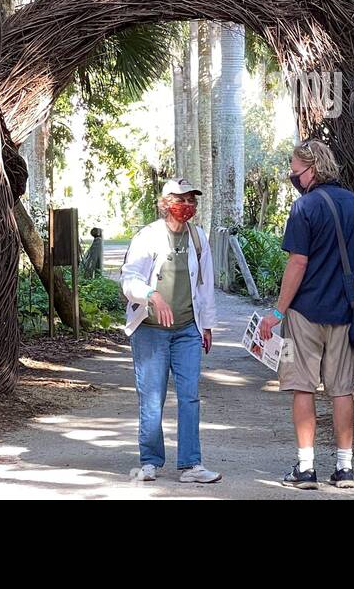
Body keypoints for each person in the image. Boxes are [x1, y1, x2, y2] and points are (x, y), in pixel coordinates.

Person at [259, 139, 354, 489]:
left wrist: (277, 313)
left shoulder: (304, 208)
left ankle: (306, 468)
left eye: (296, 171)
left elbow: (297, 261)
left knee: (302, 387)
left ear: (312, 168)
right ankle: (345, 469)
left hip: (303, 313)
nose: (294, 177)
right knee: (342, 390)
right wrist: (341, 269)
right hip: (344, 310)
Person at [120, 178, 221, 484]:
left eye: (191, 200)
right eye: (180, 199)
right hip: (150, 330)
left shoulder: (198, 238)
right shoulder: (147, 237)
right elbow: (128, 278)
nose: (186, 205)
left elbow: (206, 285)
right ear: (165, 203)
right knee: (152, 397)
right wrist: (151, 295)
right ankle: (150, 461)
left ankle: (191, 465)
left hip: (187, 330)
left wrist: (207, 325)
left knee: (190, 396)